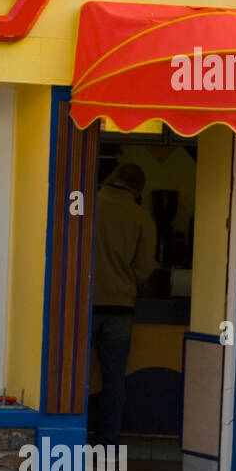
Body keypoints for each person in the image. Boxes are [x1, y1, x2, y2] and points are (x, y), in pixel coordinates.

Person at [90, 162, 157, 448]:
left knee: (71, 374)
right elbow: (144, 269)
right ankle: (106, 444)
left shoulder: (87, 206)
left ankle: (68, 438)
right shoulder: (141, 217)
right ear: (137, 190)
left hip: (83, 304)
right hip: (120, 308)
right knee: (114, 380)